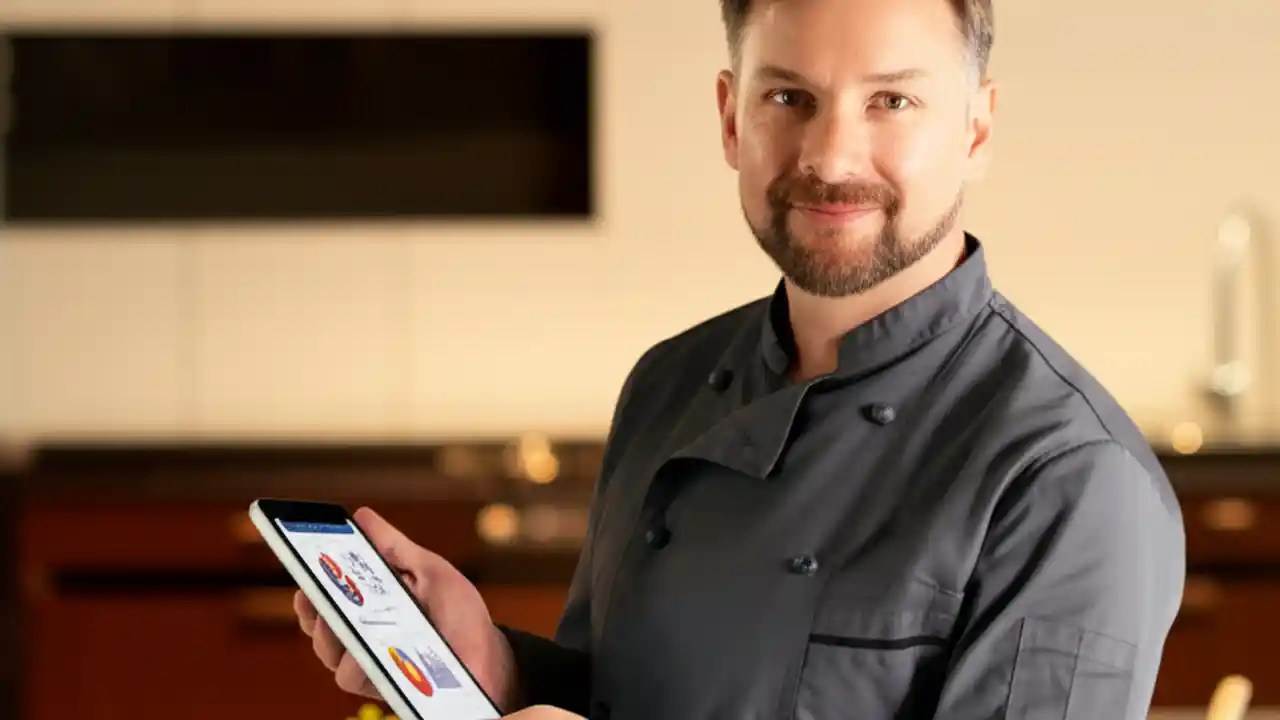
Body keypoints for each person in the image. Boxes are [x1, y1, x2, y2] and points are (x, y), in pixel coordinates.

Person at [295, 0, 1187, 717]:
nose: (831, 156)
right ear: (731, 117)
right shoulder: (670, 382)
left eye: (893, 100)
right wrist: (487, 663)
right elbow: (613, 691)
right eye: (788, 98)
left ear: (977, 130)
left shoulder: (1071, 480)